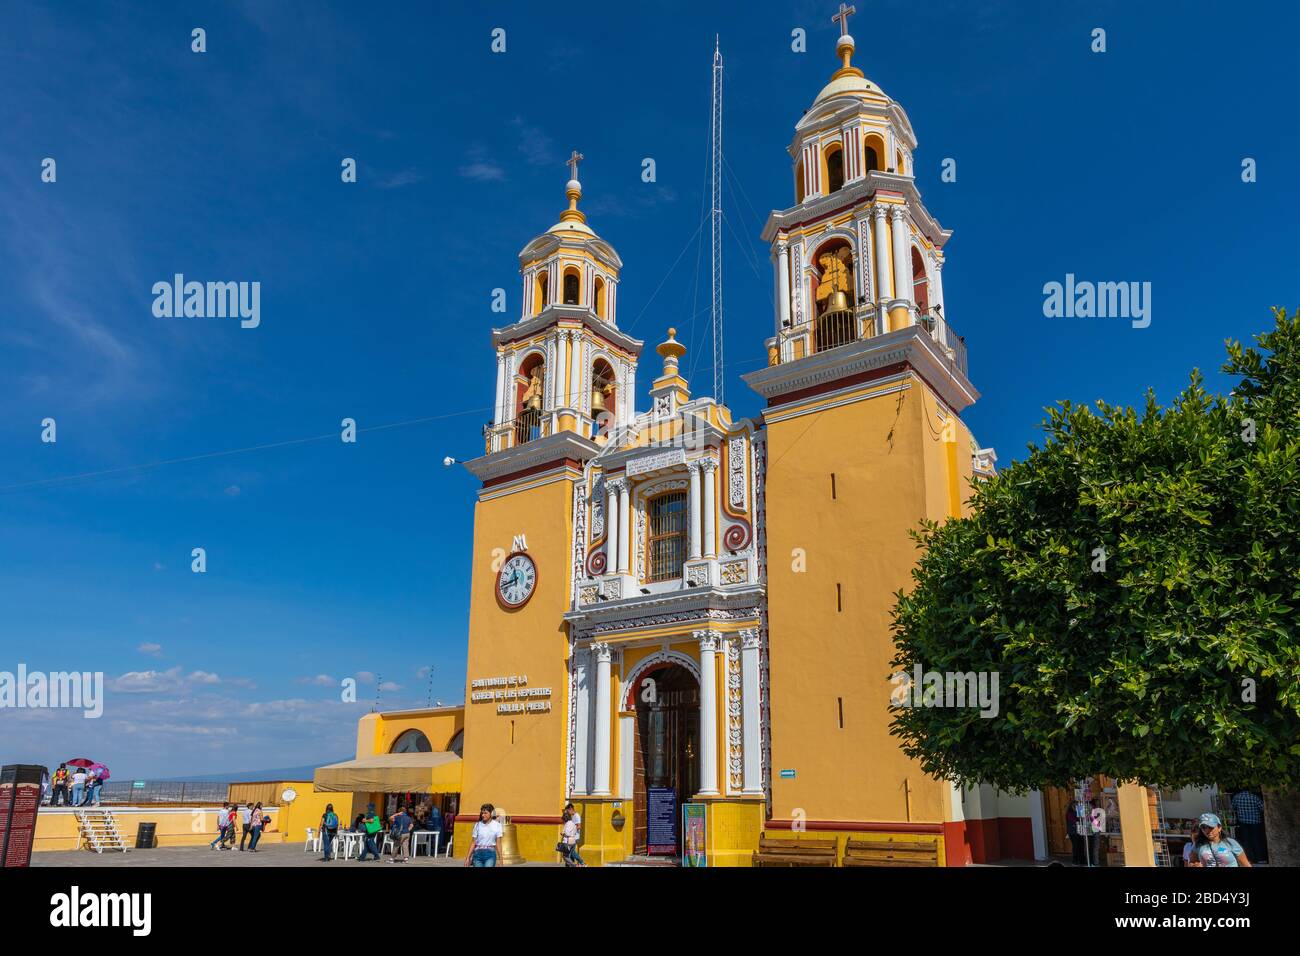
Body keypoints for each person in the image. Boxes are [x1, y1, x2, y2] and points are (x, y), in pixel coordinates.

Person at [1230, 790, 1267, 863]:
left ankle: (1249, 859)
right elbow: (1263, 808)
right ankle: (1260, 859)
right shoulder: (1255, 797)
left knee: (1246, 841)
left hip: (1243, 822)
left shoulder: (1237, 797)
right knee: (1257, 840)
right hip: (1256, 822)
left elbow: (1232, 807)